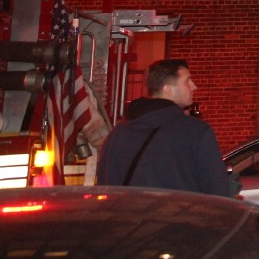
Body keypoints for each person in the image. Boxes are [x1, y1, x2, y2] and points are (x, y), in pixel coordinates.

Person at [96, 58, 231, 196]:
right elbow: (218, 191)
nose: (194, 86)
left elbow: (106, 186)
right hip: (181, 215)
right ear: (167, 90)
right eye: (187, 81)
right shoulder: (196, 132)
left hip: (129, 216)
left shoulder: (118, 133)